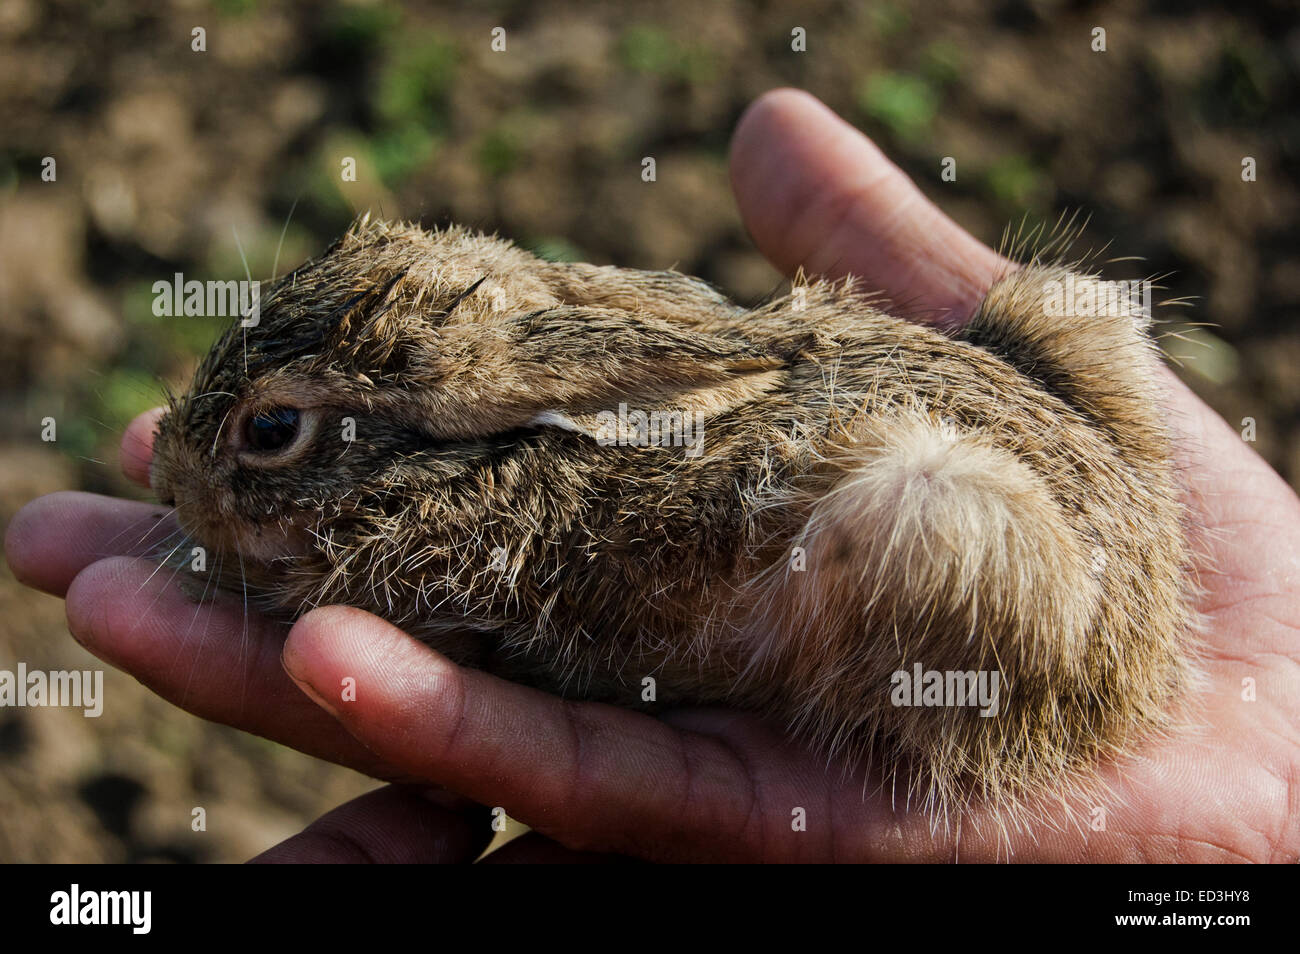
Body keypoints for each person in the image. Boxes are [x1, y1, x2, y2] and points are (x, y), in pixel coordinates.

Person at [6, 89, 1298, 863]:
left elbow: (534, 580)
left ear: (467, 410)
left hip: (1012, 646)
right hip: (1073, 525)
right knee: (1055, 319)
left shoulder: (495, 484)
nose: (187, 484)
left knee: (925, 511)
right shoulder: (565, 377)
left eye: (272, 436)